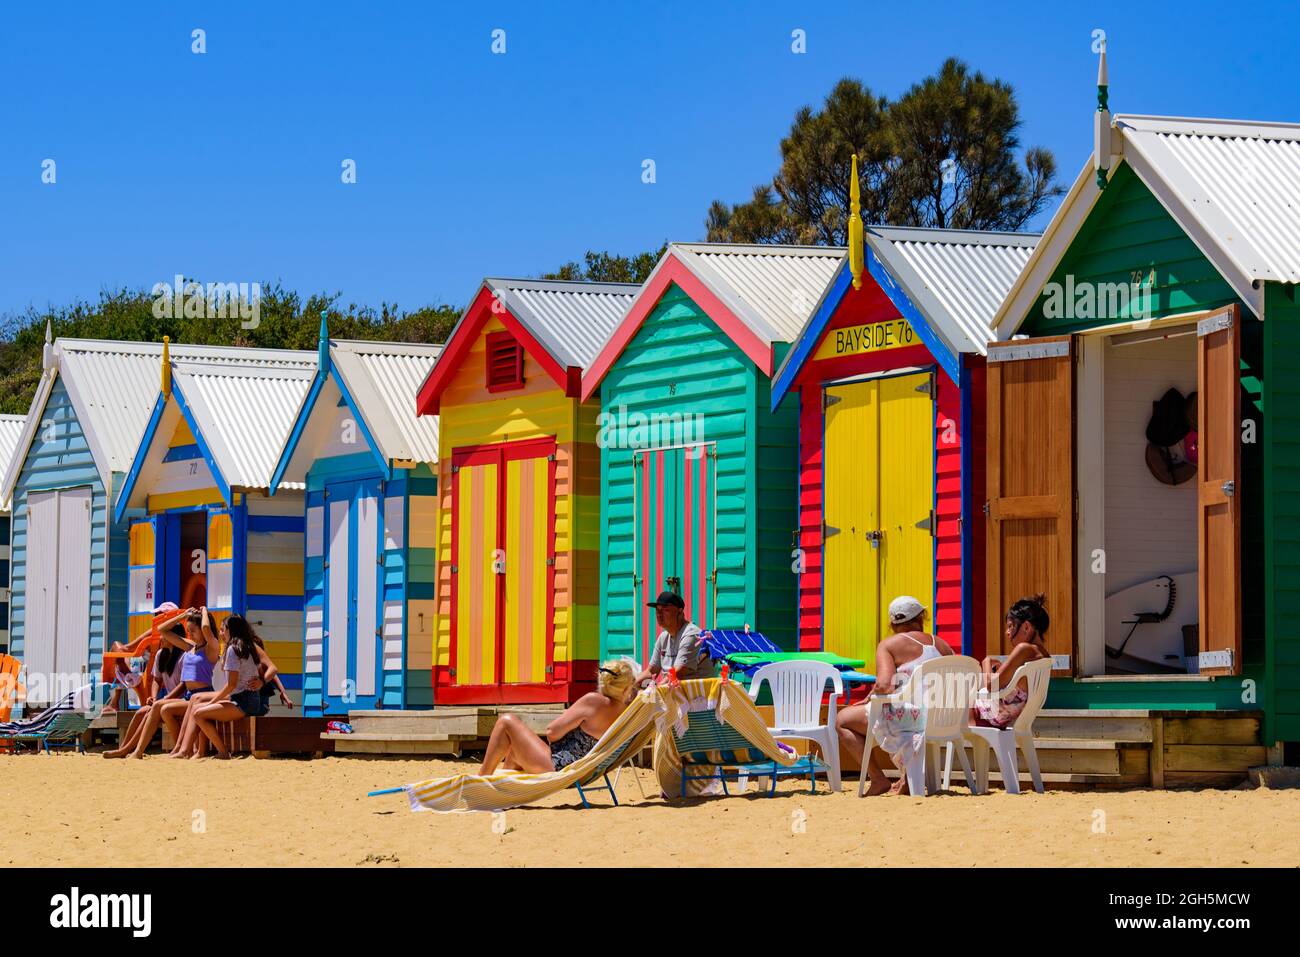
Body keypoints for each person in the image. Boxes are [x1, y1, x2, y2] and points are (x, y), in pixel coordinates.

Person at [835, 596, 956, 796]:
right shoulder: (942, 645)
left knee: (842, 720)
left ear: (892, 624)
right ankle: (907, 777)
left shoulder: (889, 645)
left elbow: (884, 685)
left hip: (914, 719)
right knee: (892, 710)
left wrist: (870, 695)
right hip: (944, 718)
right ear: (922, 616)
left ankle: (878, 779)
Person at [478, 660, 637, 775]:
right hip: (585, 771)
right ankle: (504, 792)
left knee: (506, 721)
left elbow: (552, 733)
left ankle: (482, 779)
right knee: (515, 750)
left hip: (560, 766)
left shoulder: (594, 701)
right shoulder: (625, 712)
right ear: (626, 688)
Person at [187, 615, 280, 759]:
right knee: (198, 707)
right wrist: (262, 681)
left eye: (223, 629)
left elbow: (231, 685)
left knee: (198, 713)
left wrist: (213, 701)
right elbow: (272, 668)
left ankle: (222, 752)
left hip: (243, 701)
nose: (220, 633)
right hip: (248, 699)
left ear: (230, 630)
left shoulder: (233, 649)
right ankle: (193, 750)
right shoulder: (248, 645)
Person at [102, 619, 191, 759]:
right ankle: (124, 748)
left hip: (182, 700)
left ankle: (132, 750)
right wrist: (154, 697)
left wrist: (165, 699)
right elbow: (157, 680)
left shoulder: (184, 656)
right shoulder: (162, 654)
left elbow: (184, 685)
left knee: (150, 711)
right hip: (168, 702)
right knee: (141, 712)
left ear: (174, 637)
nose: (161, 637)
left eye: (164, 635)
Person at [973, 594, 1050, 729]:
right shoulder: (1043, 655)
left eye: (1010, 626)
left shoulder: (1023, 649)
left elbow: (992, 686)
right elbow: (1017, 684)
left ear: (1026, 627)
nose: (1007, 632)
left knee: (959, 695)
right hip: (1014, 715)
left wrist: (986, 662)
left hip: (997, 714)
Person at [159, 608, 221, 757]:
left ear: (202, 629)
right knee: (165, 710)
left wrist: (205, 611)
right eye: (188, 631)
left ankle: (190, 750)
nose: (190, 634)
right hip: (189, 695)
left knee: (192, 709)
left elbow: (206, 628)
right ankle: (181, 748)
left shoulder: (211, 647)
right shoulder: (191, 646)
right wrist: (182, 616)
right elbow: (162, 630)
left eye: (193, 630)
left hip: (205, 693)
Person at [634, 591, 712, 686]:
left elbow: (677, 673)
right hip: (674, 691)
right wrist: (629, 685)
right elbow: (651, 671)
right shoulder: (663, 637)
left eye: (665, 610)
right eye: (657, 610)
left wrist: (655, 690)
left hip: (696, 696)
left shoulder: (692, 635)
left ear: (679, 612)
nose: (659, 614)